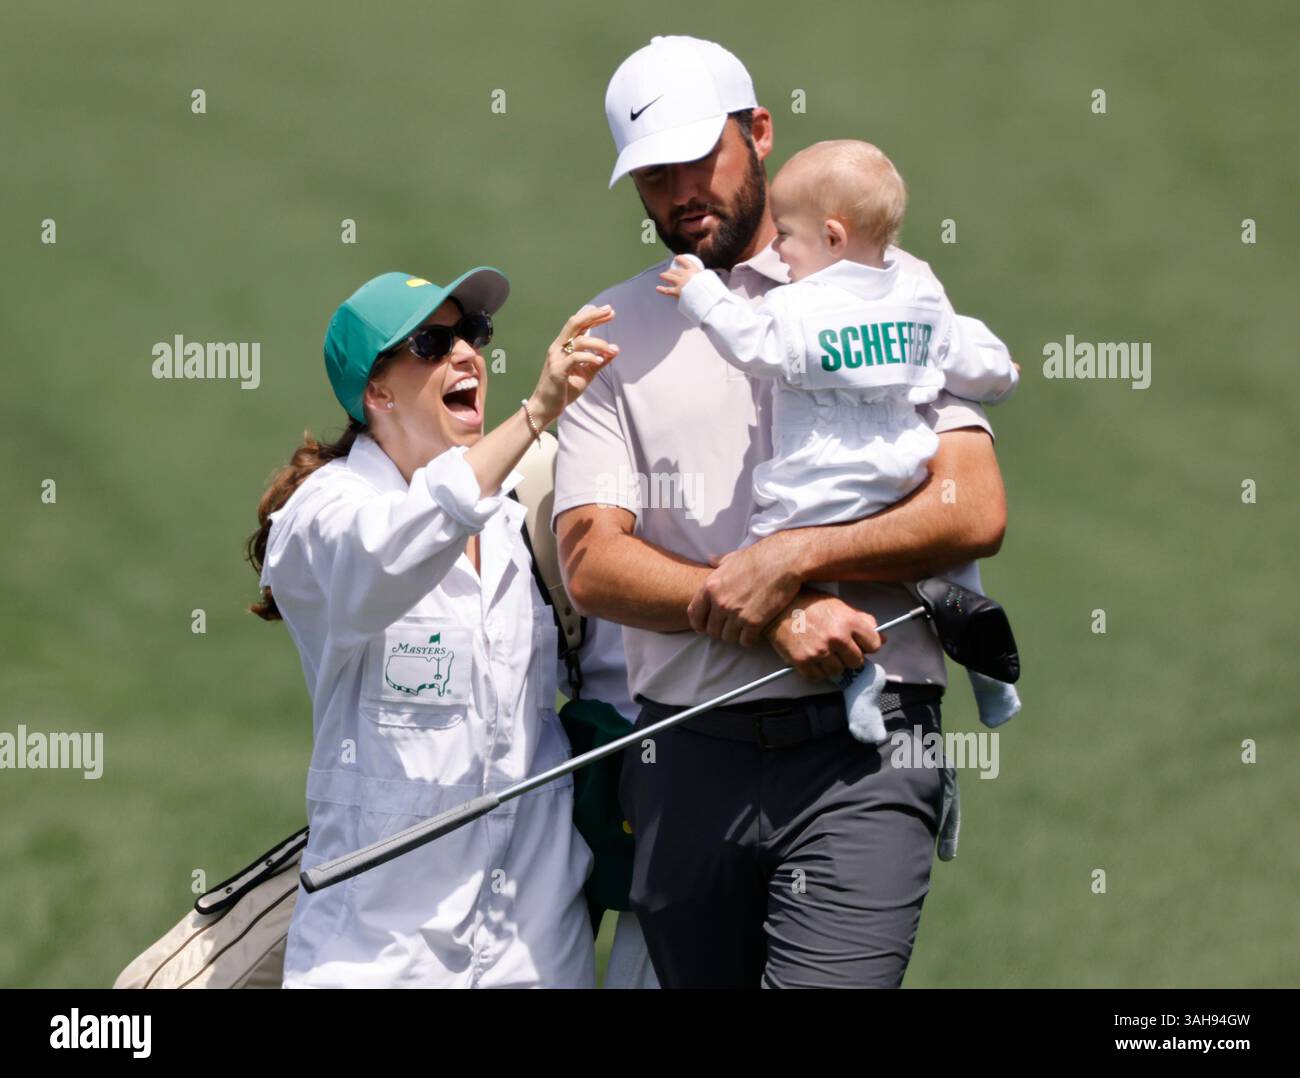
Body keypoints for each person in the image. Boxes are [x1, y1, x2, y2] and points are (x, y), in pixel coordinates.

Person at [553, 35, 1010, 988]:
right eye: (652, 174)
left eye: (698, 157)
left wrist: (794, 555)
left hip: (871, 749)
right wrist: (776, 611)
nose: (680, 191)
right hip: (684, 757)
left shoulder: (897, 285)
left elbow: (973, 508)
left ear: (759, 133)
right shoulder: (610, 332)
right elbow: (593, 562)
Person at [246, 267, 619, 987]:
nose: (466, 354)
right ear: (376, 393)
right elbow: (393, 551)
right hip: (378, 956)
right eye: (431, 341)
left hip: (535, 946)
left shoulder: (518, 518)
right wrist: (534, 416)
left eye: (472, 334)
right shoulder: (322, 516)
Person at [656, 138, 1022, 743]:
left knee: (755, 570)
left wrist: (701, 292)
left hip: (816, 490)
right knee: (954, 573)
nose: (776, 248)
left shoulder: (801, 307)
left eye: (787, 235)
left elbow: (751, 344)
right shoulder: (919, 299)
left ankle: (856, 679)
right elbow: (971, 358)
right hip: (903, 475)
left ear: (831, 237)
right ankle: (990, 674)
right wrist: (1006, 373)